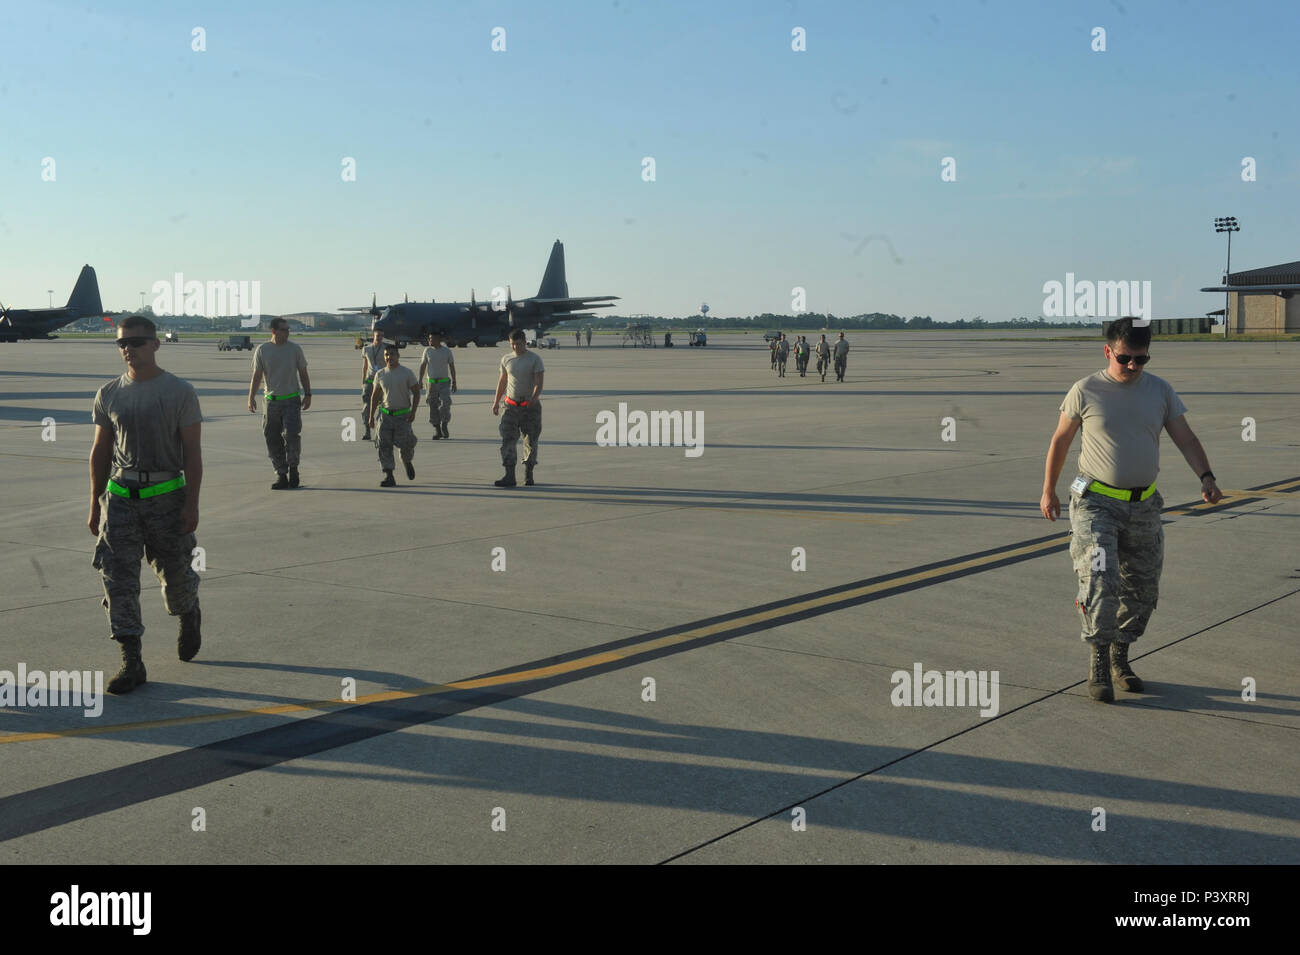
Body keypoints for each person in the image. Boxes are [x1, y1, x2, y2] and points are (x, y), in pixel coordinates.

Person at [1041, 317, 1222, 703]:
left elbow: (1186, 438)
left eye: (1142, 359)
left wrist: (1206, 476)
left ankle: (1120, 656)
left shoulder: (1160, 391)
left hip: (1144, 506)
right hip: (1095, 502)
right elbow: (1060, 440)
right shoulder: (1085, 390)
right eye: (1125, 358)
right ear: (1108, 351)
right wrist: (1048, 491)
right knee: (1100, 581)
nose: (1133, 367)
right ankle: (1098, 663)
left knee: (1142, 590)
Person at [88, 316, 203, 694]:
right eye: (122, 343)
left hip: (167, 499)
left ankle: (188, 612)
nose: (128, 349)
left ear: (155, 344)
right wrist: (95, 502)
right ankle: (131, 660)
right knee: (117, 581)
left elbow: (192, 453)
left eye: (137, 342)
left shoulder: (179, 392)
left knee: (176, 577)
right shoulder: (109, 393)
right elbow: (101, 451)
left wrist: (192, 504)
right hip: (120, 499)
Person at [248, 317, 312, 489]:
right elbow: (257, 376)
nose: (287, 332)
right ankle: (281, 474)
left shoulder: (295, 349)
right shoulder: (262, 350)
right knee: (272, 438)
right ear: (273, 331)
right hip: (271, 402)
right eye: (284, 330)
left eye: (288, 329)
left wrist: (308, 394)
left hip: (291, 400)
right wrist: (251, 397)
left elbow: (303, 372)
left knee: (292, 435)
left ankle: (294, 469)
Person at [492, 328, 544, 487]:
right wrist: (496, 402)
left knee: (530, 440)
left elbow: (538, 383)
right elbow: (502, 381)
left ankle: (529, 473)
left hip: (530, 407)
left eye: (519, 344)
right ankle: (509, 476)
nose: (515, 347)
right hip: (510, 406)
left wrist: (533, 399)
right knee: (508, 439)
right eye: (512, 344)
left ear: (525, 342)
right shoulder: (506, 359)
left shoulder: (534, 359)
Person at [368, 341, 420, 487]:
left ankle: (407, 461)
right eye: (386, 354)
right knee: (383, 445)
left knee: (406, 444)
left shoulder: (407, 373)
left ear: (398, 356)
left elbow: (416, 393)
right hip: (385, 415)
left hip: (403, 416)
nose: (389, 357)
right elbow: (375, 396)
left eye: (392, 354)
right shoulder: (380, 374)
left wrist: (414, 412)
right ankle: (389, 475)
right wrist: (371, 417)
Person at [417, 330, 457, 439]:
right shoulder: (427, 351)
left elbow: (452, 366)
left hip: (444, 383)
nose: (430, 340)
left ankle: (444, 424)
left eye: (432, 339)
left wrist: (454, 382)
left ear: (439, 340)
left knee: (445, 404)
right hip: (431, 384)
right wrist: (420, 380)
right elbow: (423, 366)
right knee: (432, 406)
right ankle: (437, 430)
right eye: (429, 338)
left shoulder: (446, 351)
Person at [359, 329, 386, 441]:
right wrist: (363, 380)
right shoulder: (366, 349)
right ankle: (367, 430)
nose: (379, 337)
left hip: (382, 381)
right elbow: (365, 366)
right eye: (377, 335)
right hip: (369, 381)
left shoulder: (386, 349)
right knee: (367, 406)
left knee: (383, 406)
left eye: (381, 335)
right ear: (373, 336)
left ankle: (380, 430)